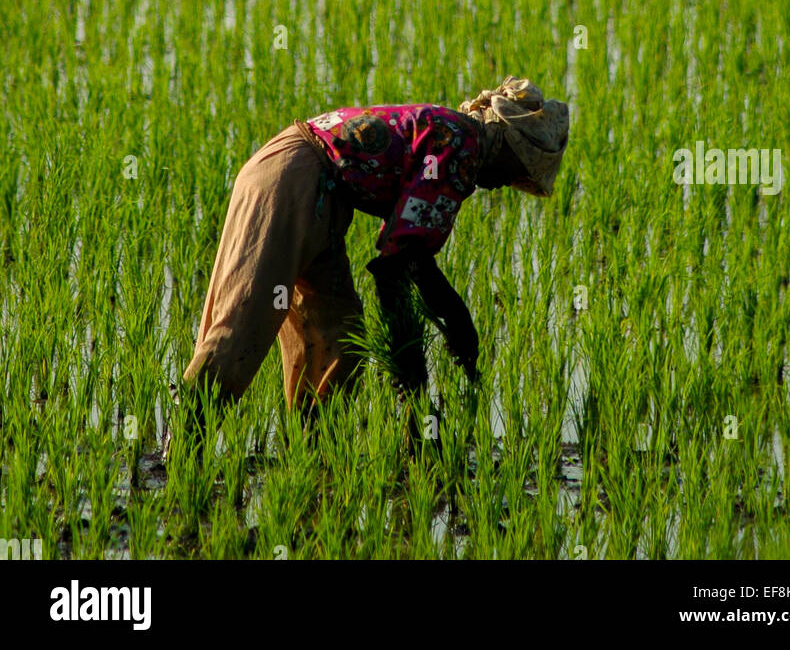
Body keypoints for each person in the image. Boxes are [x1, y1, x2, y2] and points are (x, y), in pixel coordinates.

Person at [177, 77, 569, 442]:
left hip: (321, 197)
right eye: (518, 171)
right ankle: (181, 445)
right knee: (247, 318)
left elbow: (409, 258)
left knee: (339, 336)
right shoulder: (460, 146)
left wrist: (453, 319)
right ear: (508, 146)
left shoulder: (457, 141)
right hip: (290, 181)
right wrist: (425, 360)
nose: (508, 184)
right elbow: (396, 266)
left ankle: (313, 450)